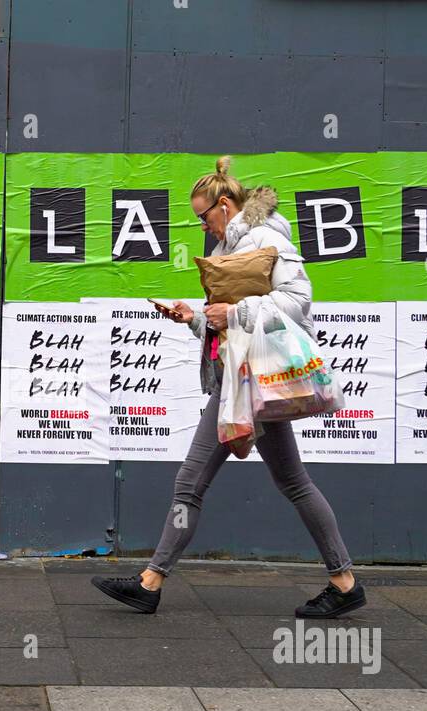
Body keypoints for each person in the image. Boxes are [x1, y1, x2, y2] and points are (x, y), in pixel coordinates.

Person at [92, 156, 365, 619]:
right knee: (293, 482)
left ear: (224, 204)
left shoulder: (265, 238)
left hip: (248, 379)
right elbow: (227, 326)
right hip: (243, 375)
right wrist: (194, 318)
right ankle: (343, 581)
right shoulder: (230, 246)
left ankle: (151, 581)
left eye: (203, 216)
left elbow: (298, 302)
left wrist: (231, 314)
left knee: (191, 483)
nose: (202, 226)